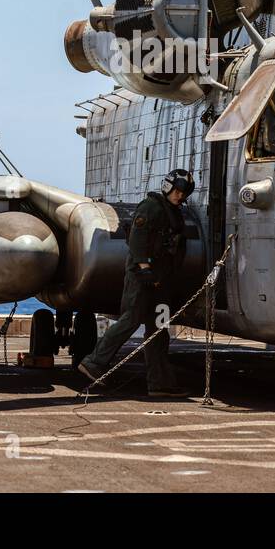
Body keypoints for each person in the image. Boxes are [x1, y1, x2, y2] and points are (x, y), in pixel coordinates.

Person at [78, 169, 194, 398]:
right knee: (130, 320)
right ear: (168, 187)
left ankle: (159, 382)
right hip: (142, 279)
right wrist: (144, 269)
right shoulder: (150, 208)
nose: (179, 196)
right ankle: (94, 363)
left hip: (162, 282)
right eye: (177, 191)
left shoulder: (174, 213)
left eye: (183, 193)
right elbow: (137, 240)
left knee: (159, 330)